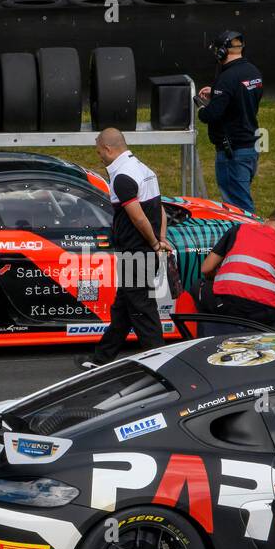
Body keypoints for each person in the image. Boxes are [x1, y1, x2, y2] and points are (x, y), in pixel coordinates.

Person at [79, 128, 168, 369]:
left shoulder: (122, 177)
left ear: (108, 149)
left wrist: (152, 242)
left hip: (135, 252)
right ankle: (101, 359)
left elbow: (138, 217)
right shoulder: (143, 169)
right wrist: (160, 237)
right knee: (124, 307)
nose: (98, 156)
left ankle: (161, 364)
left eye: (99, 152)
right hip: (142, 251)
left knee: (142, 310)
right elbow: (160, 207)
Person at [196, 29, 263, 213]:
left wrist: (202, 108)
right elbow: (240, 98)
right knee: (242, 199)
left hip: (233, 152)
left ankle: (250, 240)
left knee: (239, 209)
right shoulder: (253, 72)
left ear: (221, 52)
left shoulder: (226, 78)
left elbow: (211, 115)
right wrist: (217, 92)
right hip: (251, 146)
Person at [197, 208, 275, 333]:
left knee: (197, 287)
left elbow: (206, 268)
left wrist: (218, 278)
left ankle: (198, 336)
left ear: (265, 221)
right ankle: (274, 337)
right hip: (261, 312)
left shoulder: (239, 230)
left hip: (223, 303)